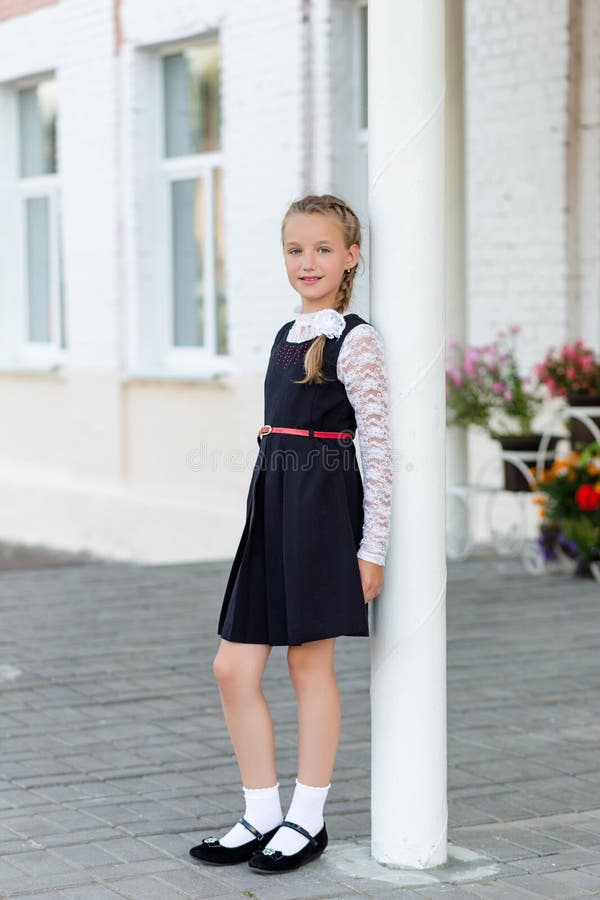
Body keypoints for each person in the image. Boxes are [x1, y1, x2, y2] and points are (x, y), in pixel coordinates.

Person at [189, 193, 393, 874]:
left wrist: (373, 546)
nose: (308, 263)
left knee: (309, 664)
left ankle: (308, 818)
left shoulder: (355, 338)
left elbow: (380, 447)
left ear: (350, 257)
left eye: (323, 250)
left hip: (323, 510)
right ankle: (261, 811)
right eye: (295, 250)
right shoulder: (285, 334)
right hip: (273, 504)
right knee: (232, 667)